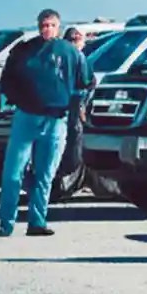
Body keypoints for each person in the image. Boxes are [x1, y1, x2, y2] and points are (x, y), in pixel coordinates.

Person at [0, 9, 89, 237]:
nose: (47, 29)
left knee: (45, 174)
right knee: (13, 173)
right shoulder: (24, 51)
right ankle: (6, 222)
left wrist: (75, 108)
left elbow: (84, 82)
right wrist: (16, 100)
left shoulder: (70, 53)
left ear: (59, 27)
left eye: (52, 25)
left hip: (56, 120)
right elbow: (7, 80)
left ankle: (37, 221)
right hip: (26, 117)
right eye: (44, 25)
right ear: (39, 26)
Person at [54, 27, 95, 182]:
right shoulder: (77, 56)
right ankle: (69, 175)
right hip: (74, 102)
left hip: (63, 103)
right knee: (74, 139)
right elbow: (85, 82)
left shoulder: (59, 56)